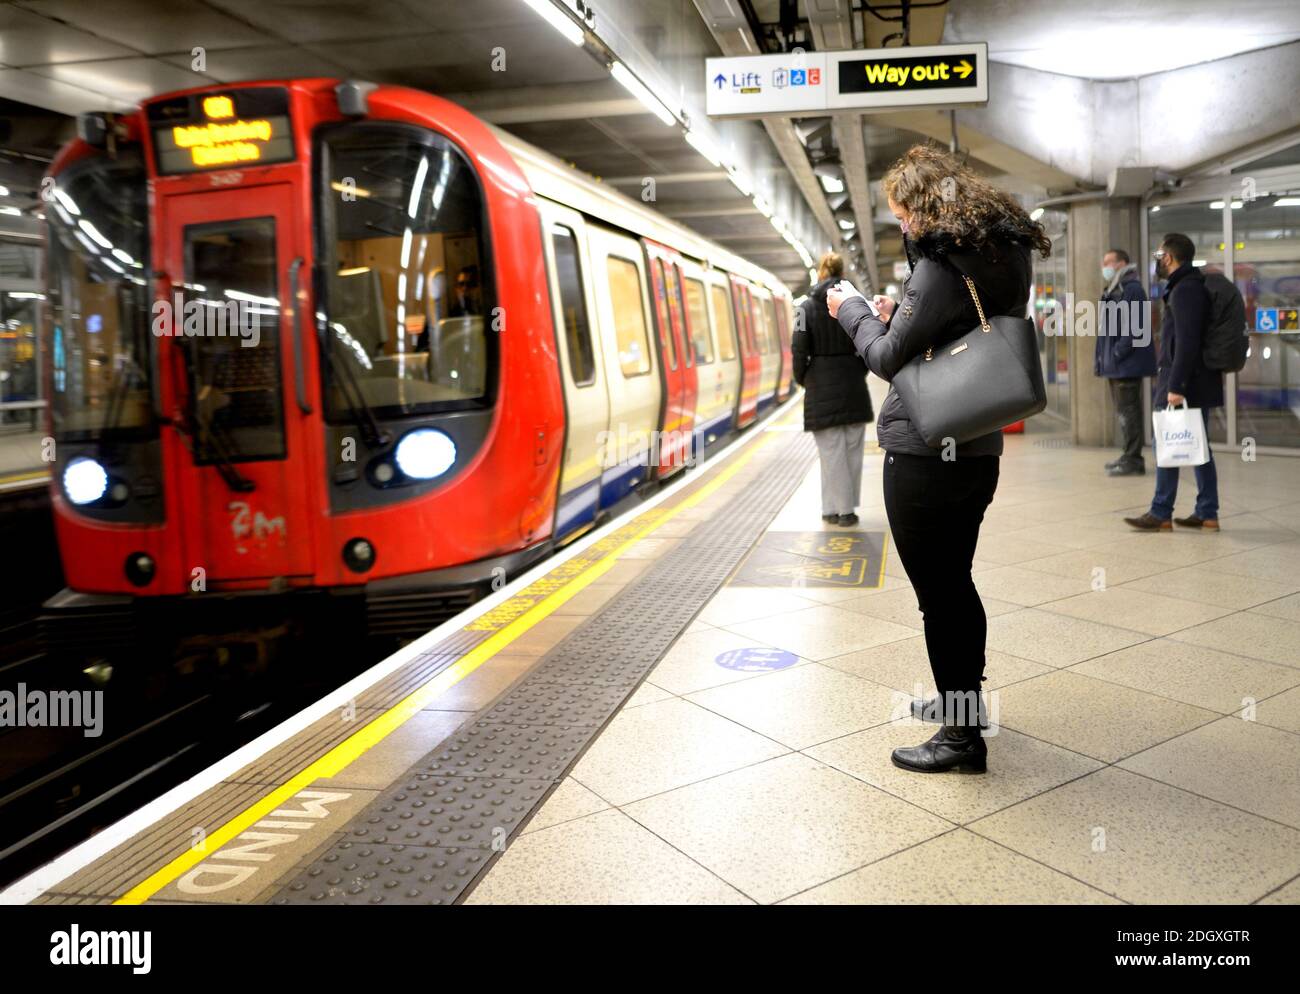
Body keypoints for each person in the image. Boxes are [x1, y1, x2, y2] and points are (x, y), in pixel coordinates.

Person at [827, 143, 1050, 775]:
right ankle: (963, 707)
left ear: (924, 207)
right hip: (976, 445)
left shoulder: (938, 267)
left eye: (902, 215)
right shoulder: (1004, 257)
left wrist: (853, 314)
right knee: (957, 582)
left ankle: (961, 738)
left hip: (926, 453)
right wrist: (903, 320)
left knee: (941, 594)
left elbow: (885, 358)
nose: (900, 227)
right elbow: (954, 332)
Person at [1123, 233, 1224, 532]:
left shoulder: (1186, 290)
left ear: (1168, 257)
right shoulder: (1187, 287)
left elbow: (1187, 343)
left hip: (1182, 383)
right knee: (1198, 447)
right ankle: (1207, 512)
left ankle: (1161, 512)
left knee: (1167, 443)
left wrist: (1175, 387)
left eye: (1159, 255)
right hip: (1191, 382)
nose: (1157, 260)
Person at [792, 252, 874, 526]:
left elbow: (798, 347)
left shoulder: (805, 308)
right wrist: (858, 370)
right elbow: (867, 338)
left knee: (830, 454)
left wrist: (804, 378)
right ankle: (836, 507)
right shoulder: (854, 302)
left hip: (819, 386)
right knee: (851, 451)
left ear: (821, 273)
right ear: (842, 271)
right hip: (853, 384)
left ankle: (841, 510)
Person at [1094, 248, 1155, 476]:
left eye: (1109, 262)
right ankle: (1128, 454)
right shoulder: (1115, 289)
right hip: (1116, 364)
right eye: (1104, 262)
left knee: (1129, 412)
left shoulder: (1132, 289)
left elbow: (1135, 328)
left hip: (1126, 363)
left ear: (1123, 263)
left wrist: (1118, 352)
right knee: (1123, 412)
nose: (1105, 267)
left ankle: (1133, 460)